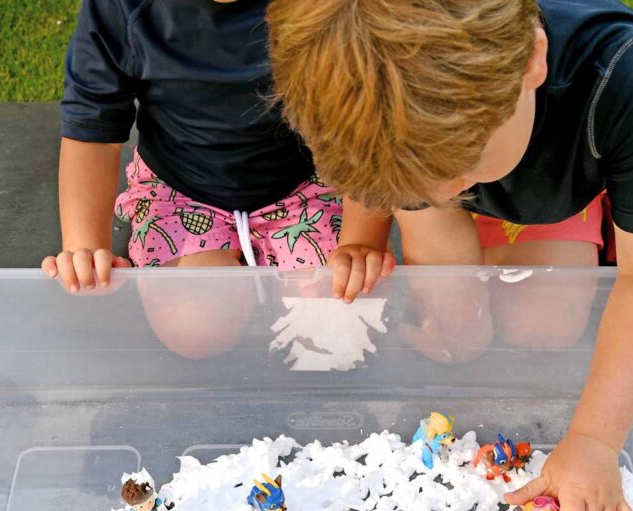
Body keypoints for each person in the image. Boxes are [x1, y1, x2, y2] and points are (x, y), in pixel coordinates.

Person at [266, 0, 633, 511]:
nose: (437, 195)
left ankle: (630, 213)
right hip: (518, 170)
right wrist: (366, 234)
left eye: (455, 171)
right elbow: (393, 169)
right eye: (409, 187)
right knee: (522, 329)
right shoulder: (423, 145)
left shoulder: (626, 70)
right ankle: (589, 217)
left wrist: (595, 441)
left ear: (534, 62)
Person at [40, 0, 394, 302]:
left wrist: (361, 241)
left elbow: (366, 113)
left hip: (304, 182)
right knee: (196, 327)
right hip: (178, 189)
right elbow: (93, 127)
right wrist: (85, 249)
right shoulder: (123, 6)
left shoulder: (325, 8)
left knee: (336, 321)